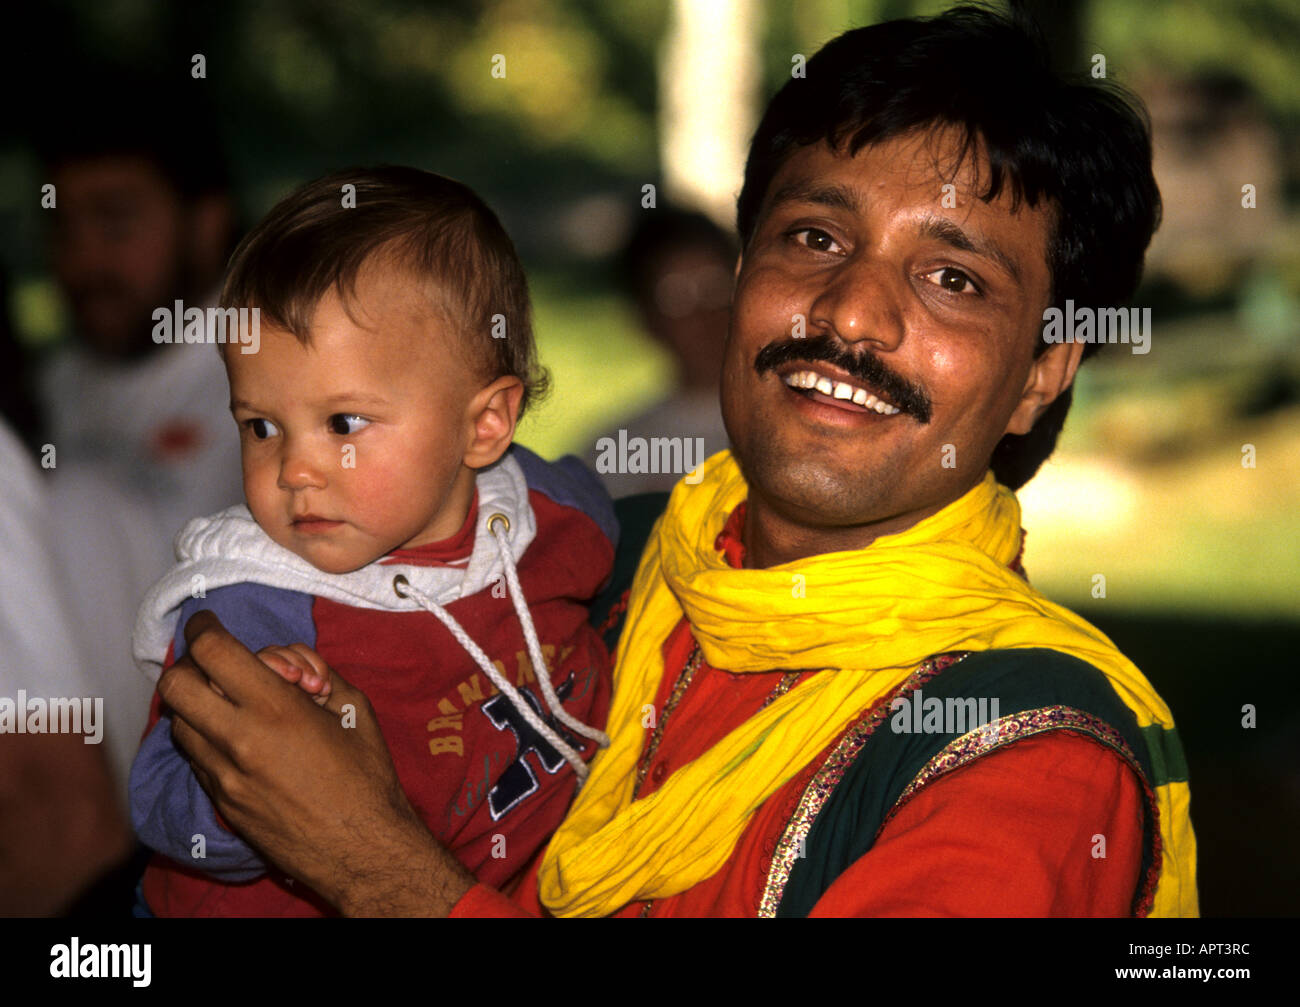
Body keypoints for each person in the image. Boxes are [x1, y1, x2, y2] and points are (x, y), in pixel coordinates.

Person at [155, 7, 1198, 917]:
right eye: (815, 238)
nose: (850, 312)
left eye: (953, 279)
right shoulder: (588, 559)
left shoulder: (1026, 751)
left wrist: (377, 869)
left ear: (1040, 374)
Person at [128, 167, 615, 916]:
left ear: (485, 425)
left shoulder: (548, 513)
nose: (294, 469)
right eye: (261, 425)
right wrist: (248, 767)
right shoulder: (254, 608)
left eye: (344, 423)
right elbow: (158, 804)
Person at [587, 207, 735, 496]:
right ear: (645, 318)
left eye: (717, 286)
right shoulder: (616, 455)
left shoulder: (798, 425)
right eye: (675, 297)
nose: (705, 314)